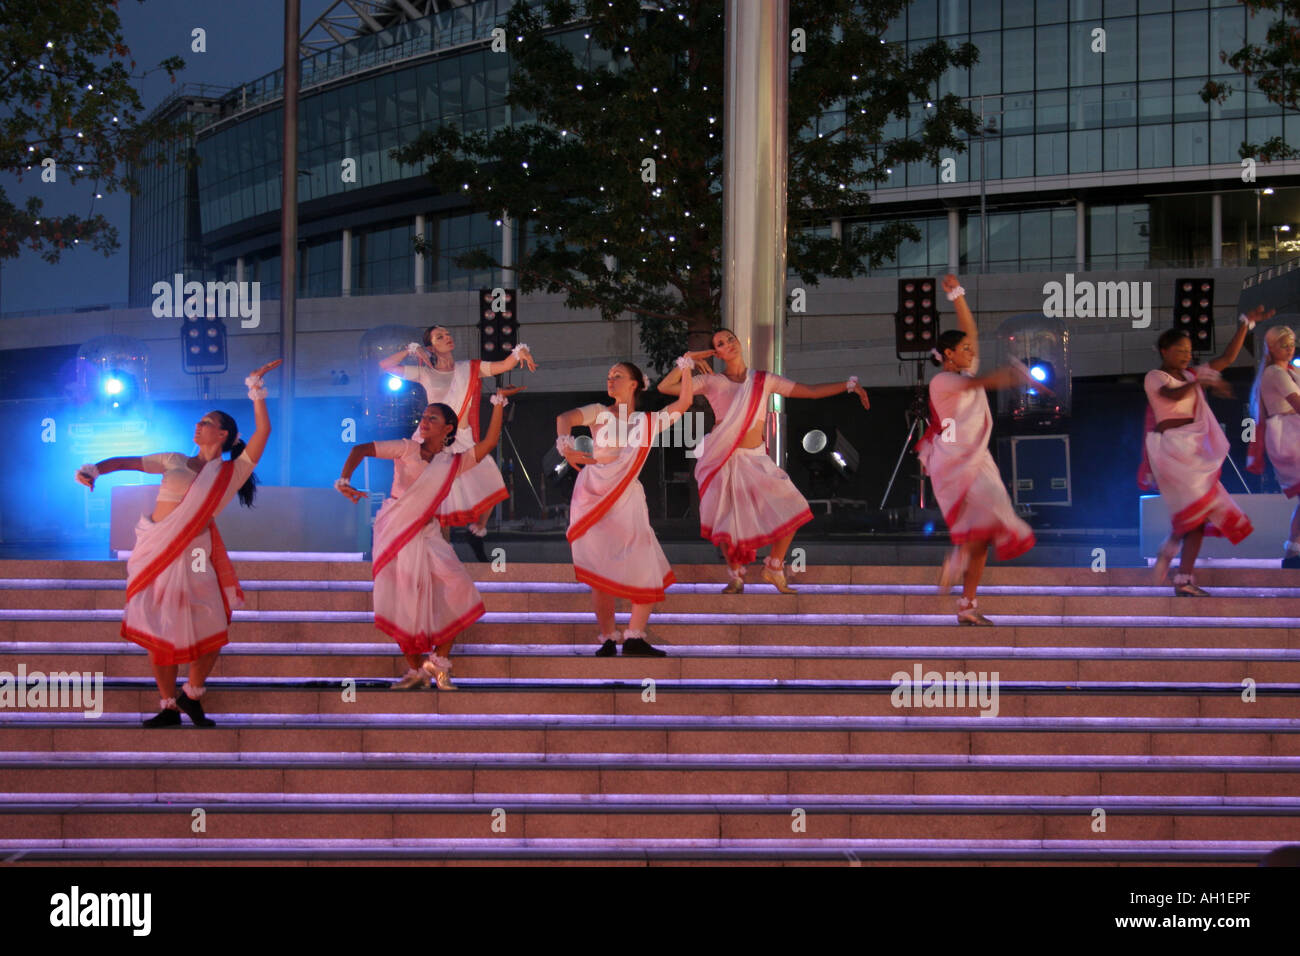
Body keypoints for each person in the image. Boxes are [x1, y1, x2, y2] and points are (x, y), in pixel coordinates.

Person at [76, 359, 282, 726]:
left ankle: (193, 694)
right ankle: (168, 705)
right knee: (159, 628)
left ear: (222, 435)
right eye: (199, 421)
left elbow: (263, 432)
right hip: (156, 550)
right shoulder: (172, 460)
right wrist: (94, 469)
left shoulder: (233, 471)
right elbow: (126, 462)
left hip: (197, 553)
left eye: (207, 422)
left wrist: (256, 389)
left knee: (212, 623)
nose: (198, 425)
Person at [657, 330, 870, 594]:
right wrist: (688, 360)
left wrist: (849, 385)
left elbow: (811, 392)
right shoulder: (710, 381)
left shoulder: (762, 380)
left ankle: (774, 566)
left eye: (730, 339)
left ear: (739, 343)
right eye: (719, 344)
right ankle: (735, 576)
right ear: (716, 353)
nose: (727, 345)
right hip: (724, 458)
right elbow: (665, 387)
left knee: (792, 505)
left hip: (755, 457)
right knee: (726, 519)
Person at [336, 385, 521, 689]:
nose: (425, 421)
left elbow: (488, 443)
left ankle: (438, 663)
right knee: (403, 601)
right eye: (423, 417)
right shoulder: (405, 448)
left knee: (459, 588)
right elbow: (360, 450)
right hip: (395, 532)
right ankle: (415, 670)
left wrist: (498, 402)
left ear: (448, 428)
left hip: (429, 533)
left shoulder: (451, 463)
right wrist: (344, 480)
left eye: (432, 418)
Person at [915, 275, 1037, 626]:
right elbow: (983, 381)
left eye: (971, 349)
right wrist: (1013, 377)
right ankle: (955, 560)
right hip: (953, 461)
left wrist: (956, 294)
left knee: (984, 535)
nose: (971, 352)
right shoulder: (944, 381)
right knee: (988, 520)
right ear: (948, 355)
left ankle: (967, 605)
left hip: (977, 460)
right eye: (964, 349)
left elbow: (970, 329)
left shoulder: (964, 370)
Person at [557, 360, 694, 656]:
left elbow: (684, 401)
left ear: (635, 384)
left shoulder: (649, 420)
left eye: (618, 376)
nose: (611, 380)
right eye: (608, 376)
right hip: (594, 494)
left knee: (645, 562)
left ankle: (634, 636)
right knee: (600, 567)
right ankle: (608, 637)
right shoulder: (599, 412)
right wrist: (566, 444)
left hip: (628, 498)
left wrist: (686, 366)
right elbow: (564, 417)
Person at [1141, 307, 1270, 594]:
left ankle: (1184, 579)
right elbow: (1171, 395)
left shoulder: (1191, 375)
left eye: (1188, 351)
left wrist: (1245, 323)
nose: (1186, 355)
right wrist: (1200, 378)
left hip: (1193, 448)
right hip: (1171, 449)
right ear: (1164, 350)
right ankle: (1169, 546)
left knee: (1198, 516)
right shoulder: (1155, 376)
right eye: (1180, 350)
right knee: (1199, 506)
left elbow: (1227, 358)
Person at [377, 325, 536, 548]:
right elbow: (385, 366)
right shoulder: (426, 372)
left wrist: (521, 353)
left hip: (461, 438)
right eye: (440, 337)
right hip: (433, 440)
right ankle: (440, 549)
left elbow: (504, 365)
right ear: (431, 347)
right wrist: (411, 350)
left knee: (489, 477)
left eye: (448, 334)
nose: (447, 338)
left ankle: (477, 530)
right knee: (439, 500)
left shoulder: (469, 368)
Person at [1246, 321, 1300, 566]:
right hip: (1289, 435)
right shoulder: (1275, 373)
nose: (1290, 349)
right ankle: (1292, 550)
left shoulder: (1290, 371)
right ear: (1271, 348)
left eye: (1291, 344)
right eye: (1283, 345)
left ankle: (1293, 550)